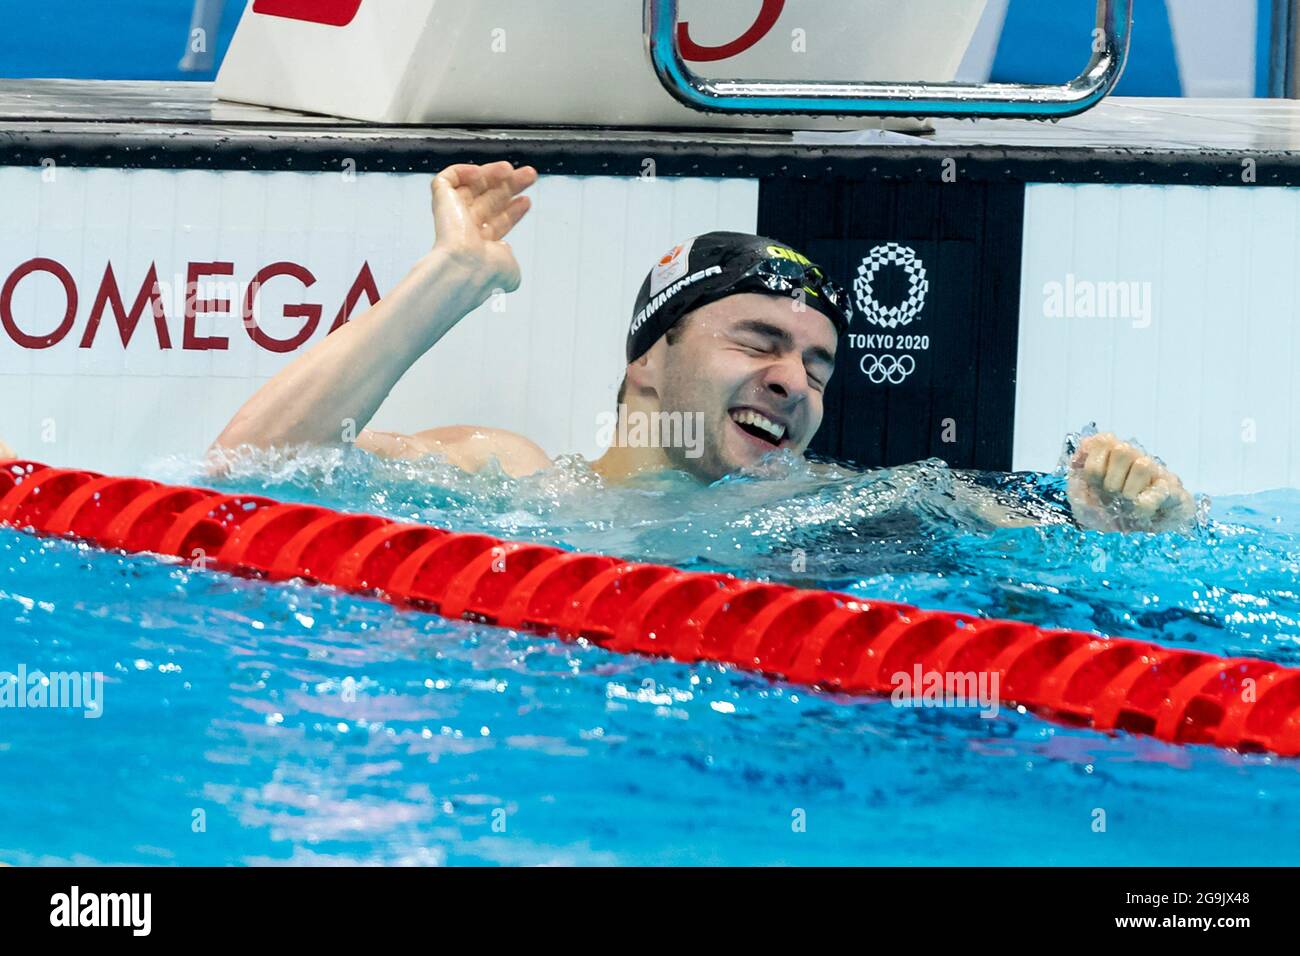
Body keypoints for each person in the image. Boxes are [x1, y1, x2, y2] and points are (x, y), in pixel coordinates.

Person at [9, 161, 1197, 534]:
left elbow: (1047, 545)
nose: (794, 379)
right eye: (759, 339)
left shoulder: (855, 510)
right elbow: (251, 475)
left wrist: (1122, 521)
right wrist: (447, 283)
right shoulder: (510, 476)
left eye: (821, 364)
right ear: (646, 361)